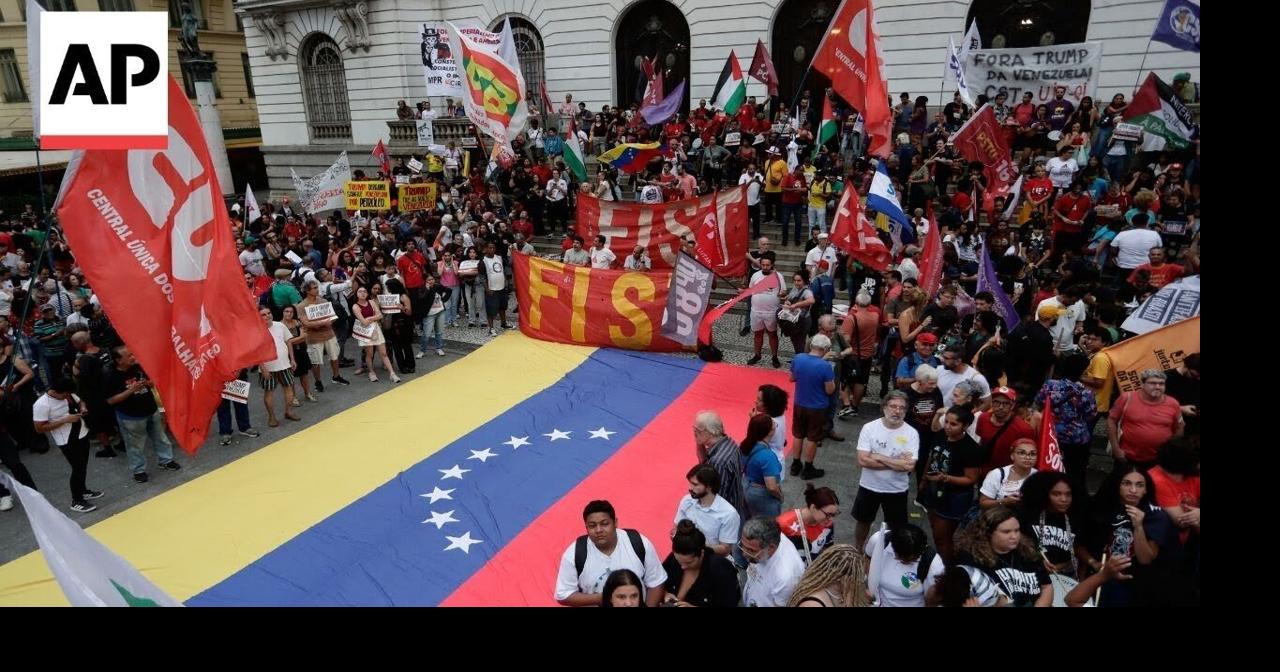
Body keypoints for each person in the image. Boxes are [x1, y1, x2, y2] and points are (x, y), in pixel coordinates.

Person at [554, 500, 668, 607]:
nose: (599, 530)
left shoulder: (638, 542)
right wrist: (605, 597)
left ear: (615, 523)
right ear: (586, 527)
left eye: (604, 524)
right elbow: (563, 595)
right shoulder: (574, 553)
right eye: (592, 526)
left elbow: (656, 582)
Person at [852, 391, 920, 552]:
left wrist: (878, 457)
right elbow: (862, 460)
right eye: (893, 406)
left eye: (902, 408)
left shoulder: (911, 433)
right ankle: (858, 549)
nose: (897, 411)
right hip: (869, 486)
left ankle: (892, 553)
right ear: (884, 407)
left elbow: (909, 466)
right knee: (863, 521)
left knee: (896, 526)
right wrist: (897, 462)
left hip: (896, 490)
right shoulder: (869, 428)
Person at [104, 346, 180, 483]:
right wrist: (131, 390)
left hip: (151, 410)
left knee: (160, 438)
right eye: (129, 356)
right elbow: (111, 400)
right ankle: (138, 471)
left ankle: (166, 460)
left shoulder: (137, 368)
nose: (133, 357)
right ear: (118, 360)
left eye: (132, 354)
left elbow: (152, 382)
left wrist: (148, 383)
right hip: (131, 417)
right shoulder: (111, 376)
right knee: (135, 446)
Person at [954, 506, 1054, 607]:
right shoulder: (972, 560)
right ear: (988, 532)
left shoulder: (1028, 553)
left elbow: (1046, 586)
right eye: (1006, 532)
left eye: (1017, 530)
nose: (1014, 536)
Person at [920, 405, 982, 562]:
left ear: (965, 426)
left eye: (953, 424)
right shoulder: (941, 434)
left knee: (944, 537)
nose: (947, 426)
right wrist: (923, 480)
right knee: (935, 529)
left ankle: (946, 568)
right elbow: (932, 456)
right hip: (933, 489)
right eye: (946, 421)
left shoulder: (971, 449)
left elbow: (970, 479)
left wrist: (945, 478)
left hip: (954, 496)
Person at [32, 378, 102, 513]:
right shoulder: (42, 404)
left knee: (83, 466)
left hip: (82, 433)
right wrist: (64, 420)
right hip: (67, 441)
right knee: (78, 469)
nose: (66, 397)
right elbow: (39, 428)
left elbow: (80, 401)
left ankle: (83, 490)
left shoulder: (69, 394)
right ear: (55, 392)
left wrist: (83, 407)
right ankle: (76, 500)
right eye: (64, 395)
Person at [1107, 369, 1183, 470]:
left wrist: (1170, 451)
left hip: (1158, 460)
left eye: (1161, 384)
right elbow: (1111, 421)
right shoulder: (1126, 398)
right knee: (1122, 483)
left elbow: (1180, 427)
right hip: (1127, 457)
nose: (1157, 387)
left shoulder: (1173, 403)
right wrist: (1116, 449)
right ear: (1142, 384)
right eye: (1153, 383)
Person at [659, 520, 741, 607]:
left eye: (689, 563)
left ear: (701, 553)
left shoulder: (721, 570)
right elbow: (658, 582)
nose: (683, 566)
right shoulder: (674, 558)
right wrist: (666, 594)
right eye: (679, 562)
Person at [1018, 471, 1084, 577]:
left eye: (1068, 494)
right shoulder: (1028, 516)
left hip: (1064, 576)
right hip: (1031, 574)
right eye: (1056, 494)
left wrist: (1062, 566)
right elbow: (1018, 541)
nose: (1064, 499)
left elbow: (1075, 551)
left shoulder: (1076, 519)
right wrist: (1037, 560)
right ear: (1044, 493)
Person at [789, 333, 837, 480]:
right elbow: (830, 390)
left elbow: (792, 378)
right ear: (826, 349)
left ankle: (795, 464)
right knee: (812, 437)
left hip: (799, 402)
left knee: (798, 434)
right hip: (817, 406)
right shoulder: (825, 366)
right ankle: (808, 467)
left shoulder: (798, 358)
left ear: (811, 345)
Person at [864, 524, 945, 607]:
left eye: (912, 559)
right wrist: (869, 587)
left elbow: (933, 599)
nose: (906, 562)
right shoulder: (879, 541)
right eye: (902, 558)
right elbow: (868, 558)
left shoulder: (933, 565)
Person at [672, 464, 740, 557]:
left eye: (695, 484)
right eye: (690, 483)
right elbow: (676, 528)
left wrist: (697, 546)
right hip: (684, 555)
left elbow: (725, 549)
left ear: (709, 486)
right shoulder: (687, 501)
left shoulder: (729, 514)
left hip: (711, 560)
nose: (690, 488)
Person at [740, 516, 806, 607]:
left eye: (751, 550)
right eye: (743, 546)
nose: (744, 554)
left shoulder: (786, 578)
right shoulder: (770, 535)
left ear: (771, 548)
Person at [693, 410, 746, 517]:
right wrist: (699, 442)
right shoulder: (728, 442)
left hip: (724, 514)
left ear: (709, 432)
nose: (694, 434)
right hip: (736, 502)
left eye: (697, 430)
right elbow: (704, 464)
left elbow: (716, 496)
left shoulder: (718, 462)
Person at [257, 306, 301, 427]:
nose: (267, 316)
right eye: (263, 314)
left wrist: (292, 359)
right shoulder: (255, 330)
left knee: (289, 389)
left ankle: (289, 411)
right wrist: (263, 368)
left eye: (269, 313)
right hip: (268, 368)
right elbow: (255, 353)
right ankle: (272, 417)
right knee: (269, 392)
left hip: (285, 364)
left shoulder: (280, 325)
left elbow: (288, 342)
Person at [787, 544, 869, 607]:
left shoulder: (841, 590)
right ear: (843, 579)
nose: (856, 582)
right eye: (855, 578)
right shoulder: (812, 604)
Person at [352, 287, 400, 383]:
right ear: (356, 294)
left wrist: (369, 318)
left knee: (383, 353)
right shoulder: (355, 306)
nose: (363, 293)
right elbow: (364, 322)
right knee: (369, 354)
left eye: (365, 291)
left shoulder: (372, 302)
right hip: (366, 332)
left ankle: (392, 373)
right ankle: (371, 372)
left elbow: (380, 315)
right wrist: (374, 318)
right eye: (360, 291)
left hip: (376, 329)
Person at [978, 438, 1038, 510]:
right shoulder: (997, 474)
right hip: (1000, 518)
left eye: (1032, 454)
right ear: (1012, 456)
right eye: (1022, 453)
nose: (1028, 457)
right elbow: (983, 504)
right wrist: (1004, 502)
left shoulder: (1039, 476)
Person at [746, 257, 783, 367]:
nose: (765, 267)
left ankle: (775, 357)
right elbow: (750, 289)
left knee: (772, 334)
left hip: (771, 312)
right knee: (758, 334)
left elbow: (784, 290)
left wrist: (782, 294)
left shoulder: (778, 276)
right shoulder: (755, 275)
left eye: (768, 265)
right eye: (763, 265)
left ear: (772, 265)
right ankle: (757, 355)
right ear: (760, 265)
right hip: (756, 311)